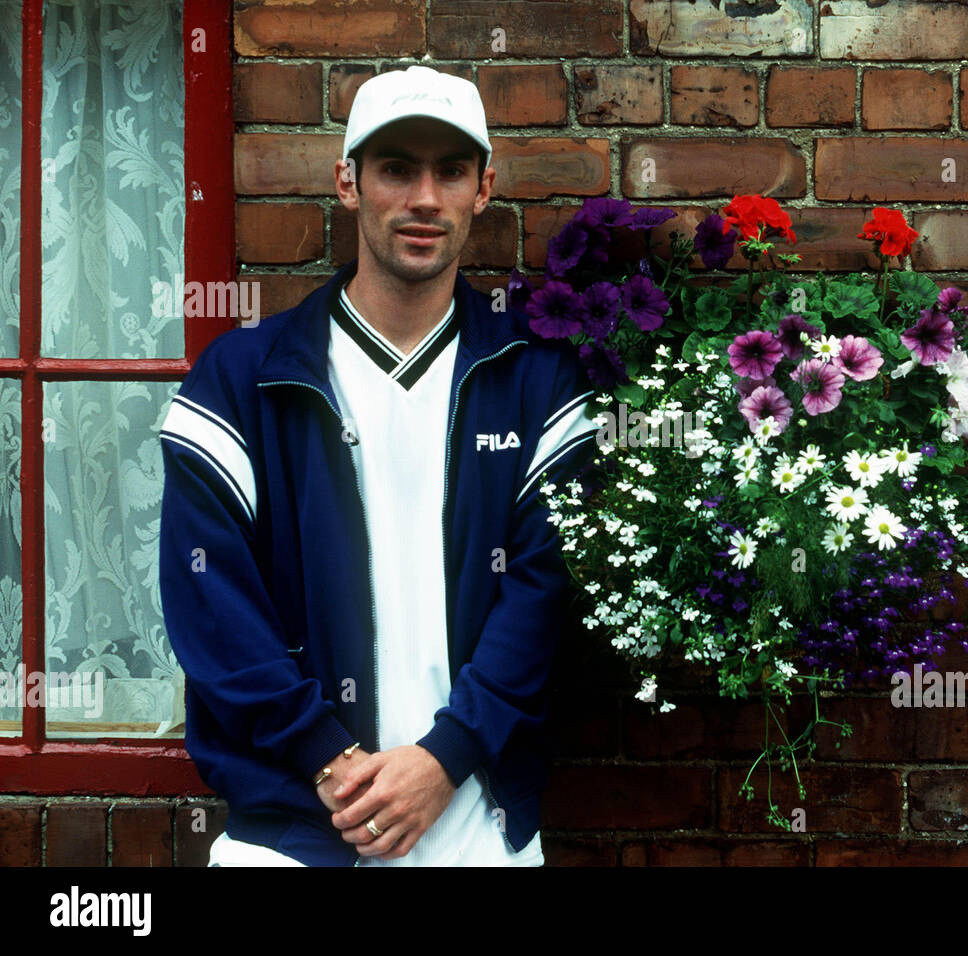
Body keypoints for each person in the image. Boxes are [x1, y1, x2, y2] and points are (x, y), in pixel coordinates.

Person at [158, 65, 598, 866]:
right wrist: (327, 759)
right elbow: (211, 600)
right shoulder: (240, 380)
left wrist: (446, 757)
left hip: (478, 824)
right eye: (396, 168)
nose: (424, 197)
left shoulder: (536, 381)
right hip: (291, 831)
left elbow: (544, 595)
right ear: (348, 183)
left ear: (483, 187)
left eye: (450, 170)